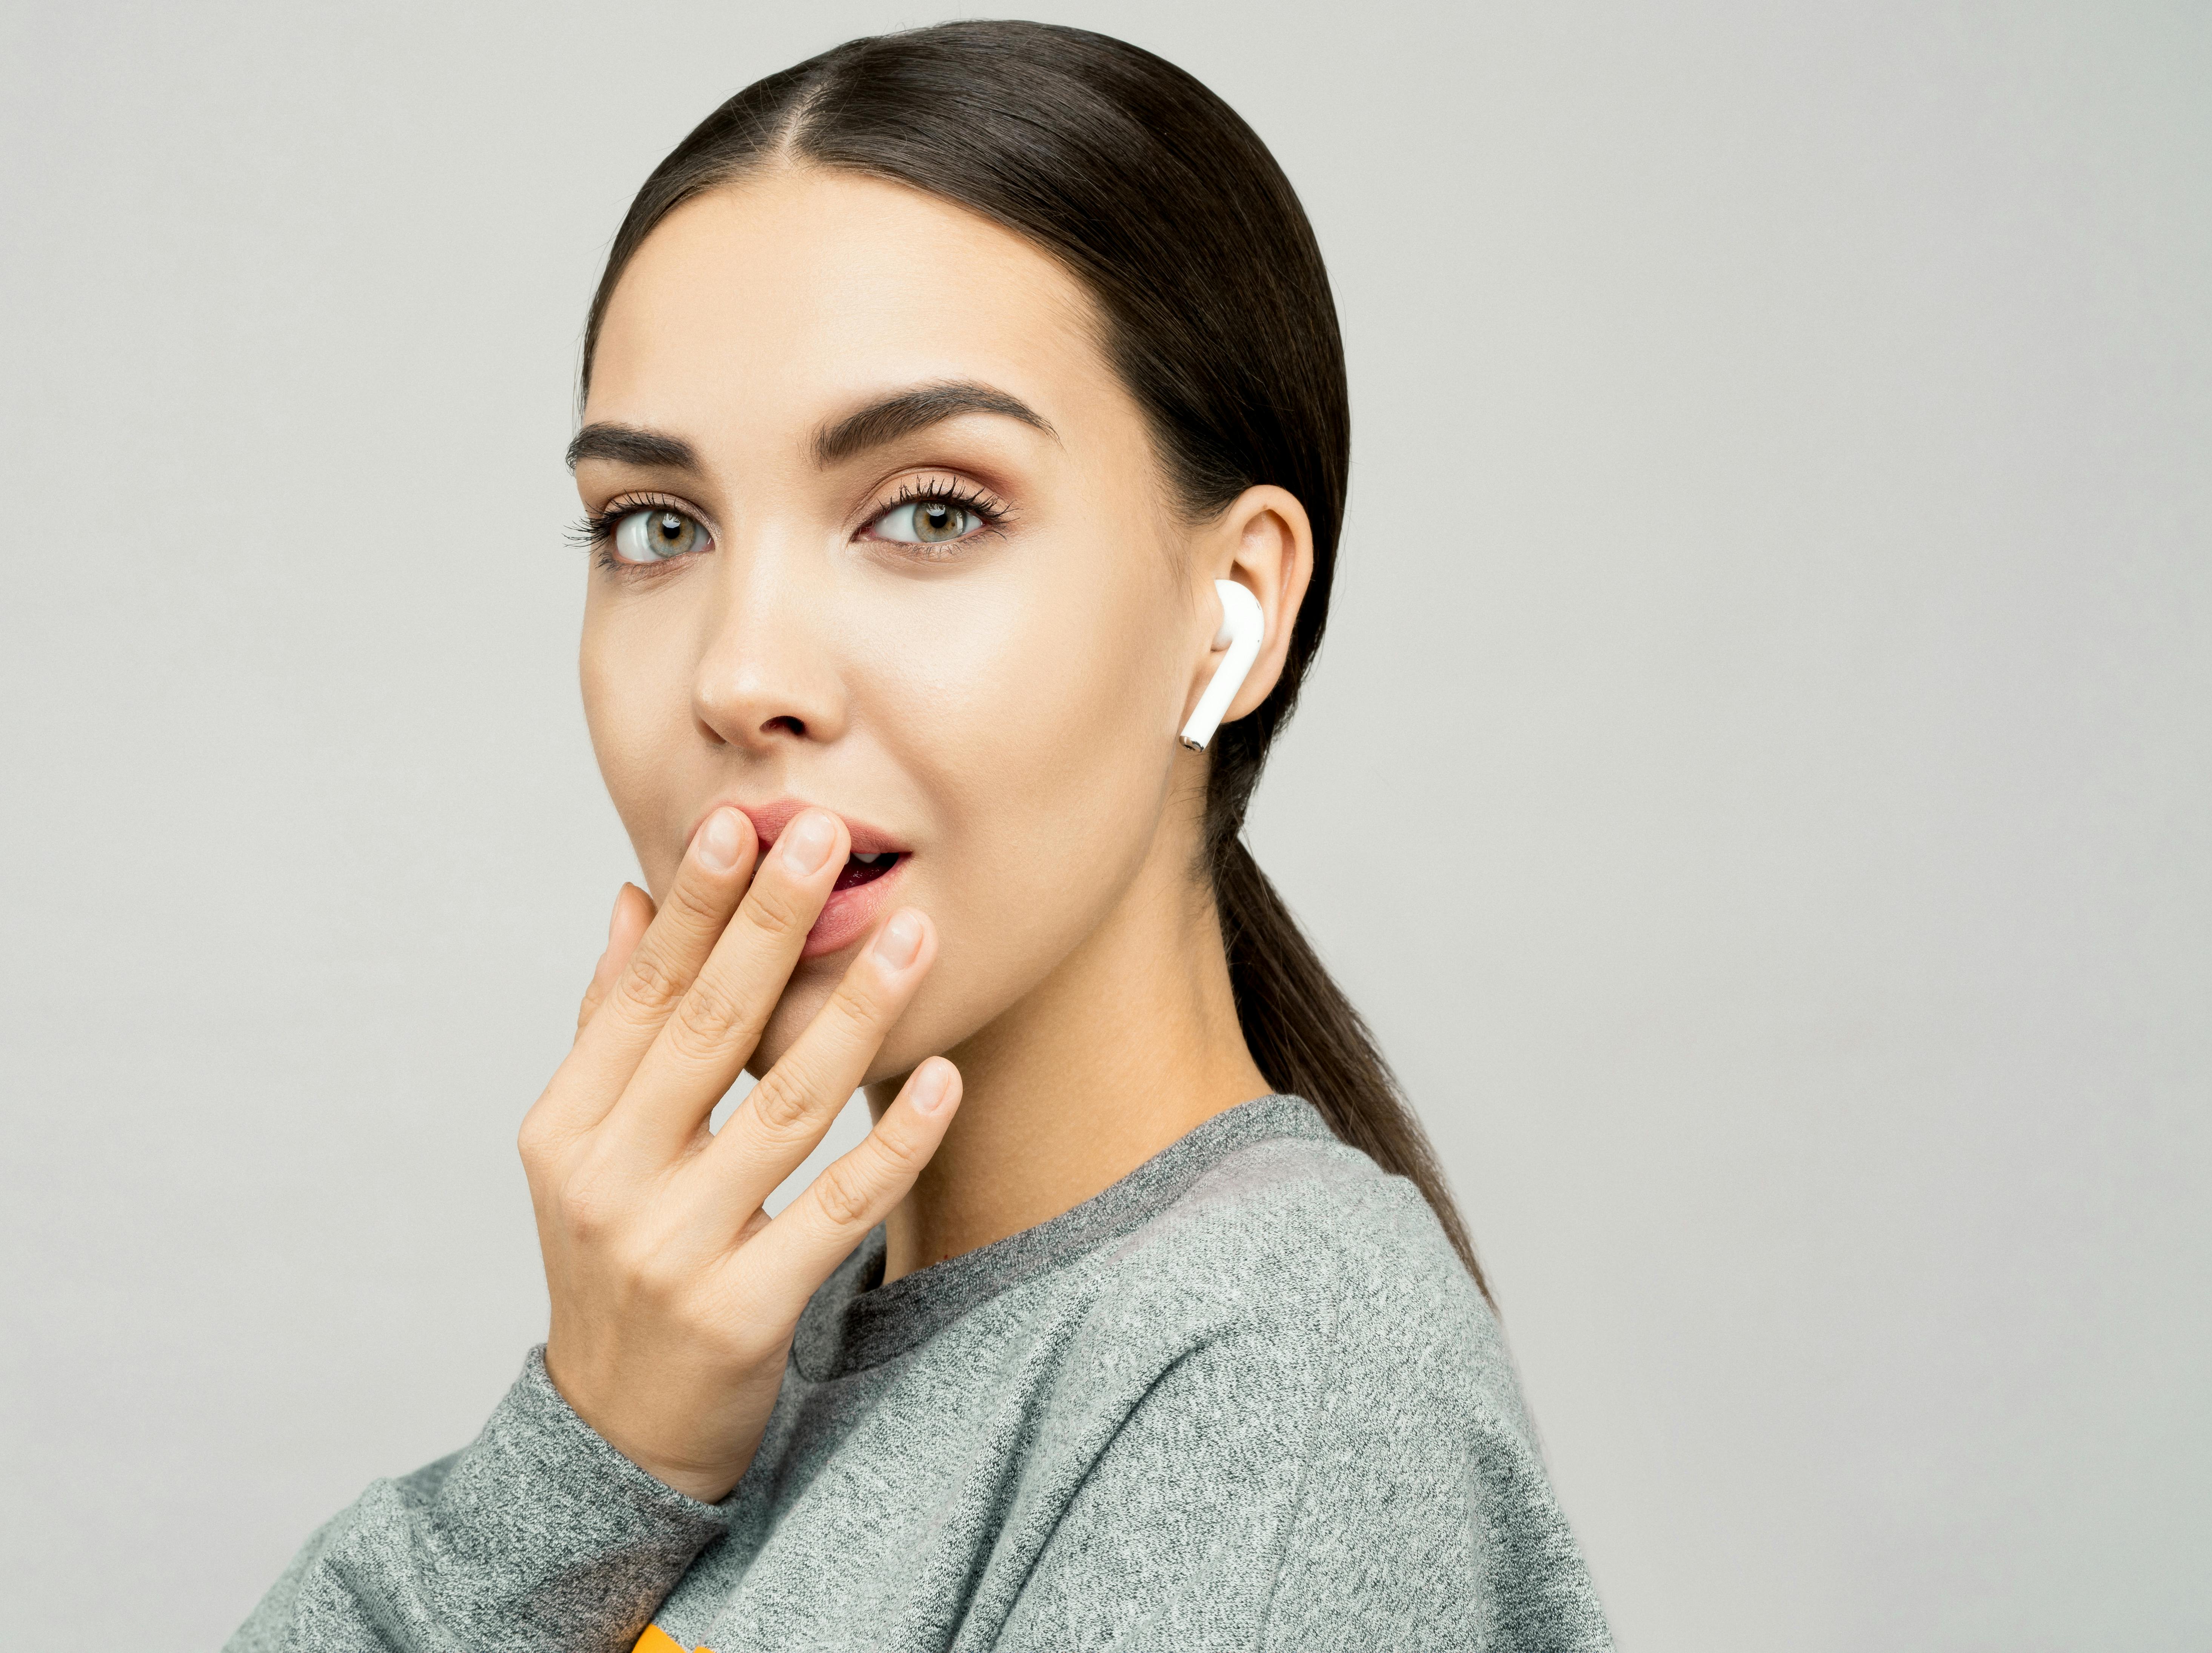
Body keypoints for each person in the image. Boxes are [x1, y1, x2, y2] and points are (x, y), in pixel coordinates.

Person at [232, 21, 1611, 1653]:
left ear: (1229, 614)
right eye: (653, 528)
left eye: (932, 511)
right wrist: (590, 1456)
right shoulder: (743, 1361)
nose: (742, 678)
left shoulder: (1272, 1381)